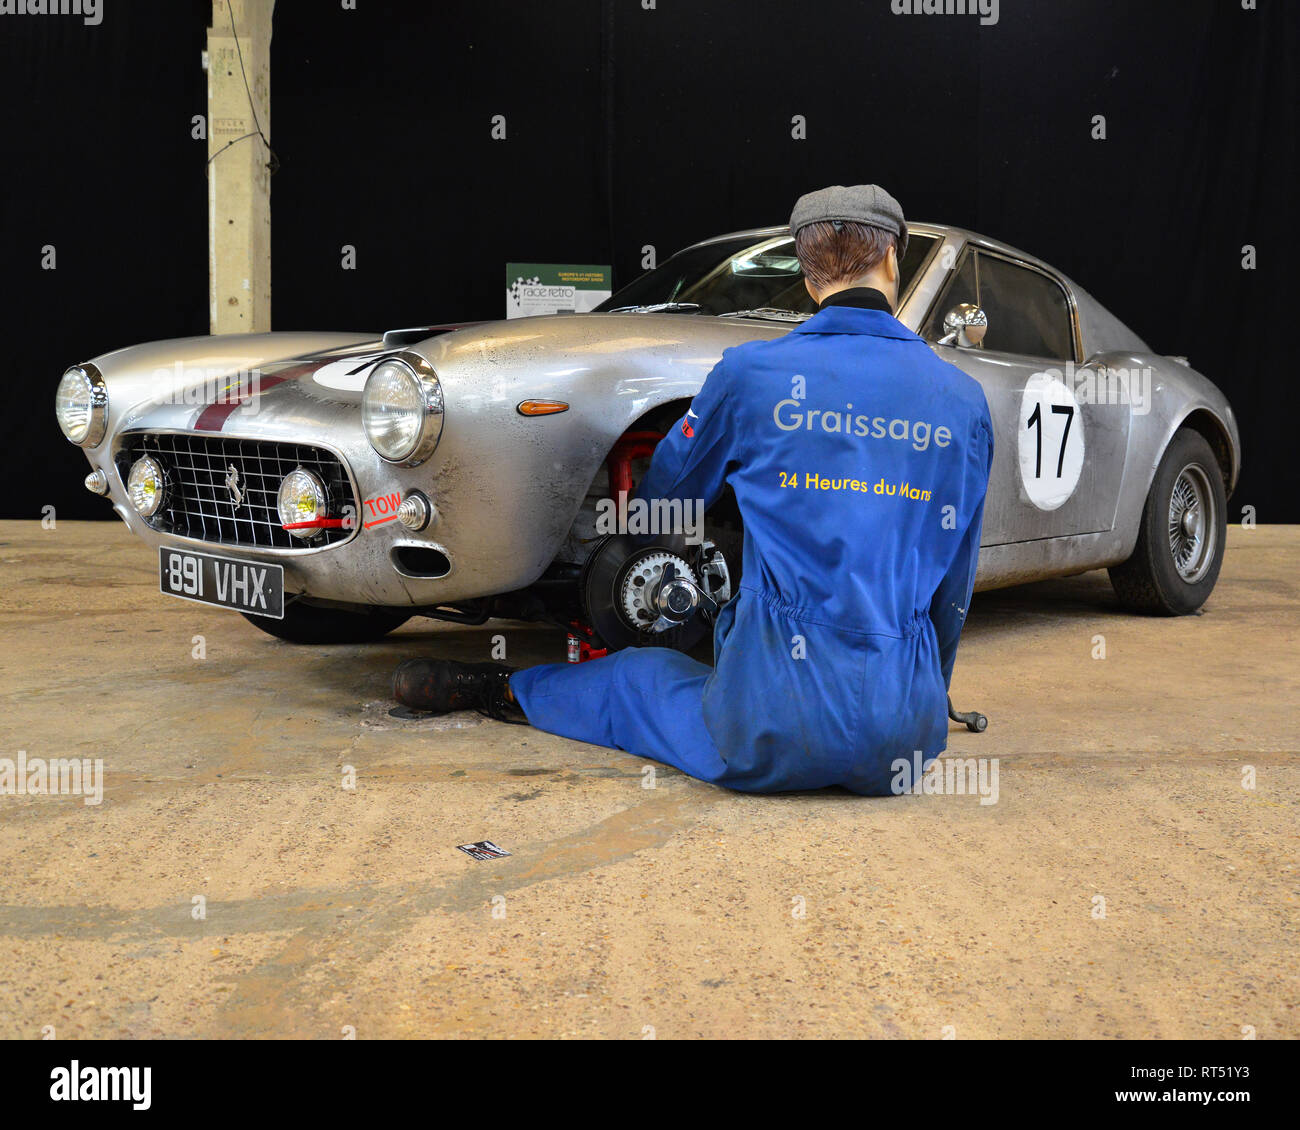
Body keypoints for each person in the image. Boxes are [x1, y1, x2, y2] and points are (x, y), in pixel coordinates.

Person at [393, 184, 994, 795]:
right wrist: (924, 693)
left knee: (635, 678)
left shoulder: (750, 374)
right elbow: (954, 588)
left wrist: (639, 534)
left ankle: (504, 690)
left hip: (766, 729)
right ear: (892, 257)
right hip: (903, 745)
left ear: (806, 273)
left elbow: (666, 503)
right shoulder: (964, 402)